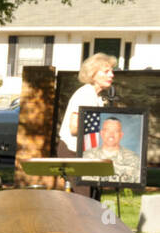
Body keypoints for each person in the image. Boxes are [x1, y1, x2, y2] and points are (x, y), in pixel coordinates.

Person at [59, 52, 116, 195]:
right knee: (84, 202)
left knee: (91, 200)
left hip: (86, 154)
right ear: (93, 74)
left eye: (112, 71)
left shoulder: (96, 97)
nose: (112, 75)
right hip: (73, 153)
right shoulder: (85, 94)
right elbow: (74, 128)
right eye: (106, 71)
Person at [85, 115, 141, 183]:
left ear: (121, 135)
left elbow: (137, 188)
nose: (111, 135)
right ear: (102, 133)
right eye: (107, 130)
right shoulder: (86, 156)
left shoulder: (134, 159)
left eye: (116, 131)